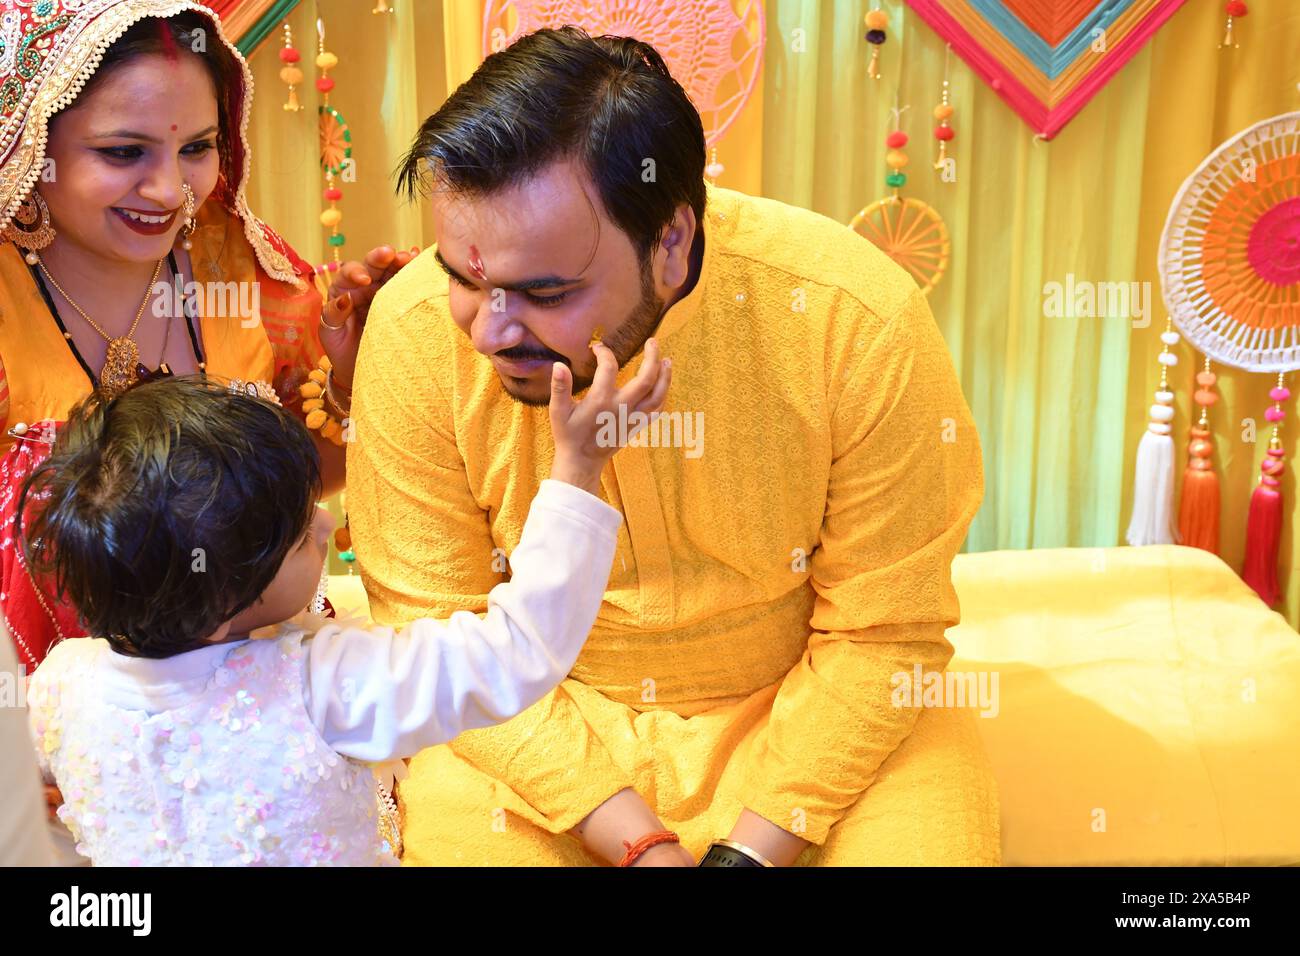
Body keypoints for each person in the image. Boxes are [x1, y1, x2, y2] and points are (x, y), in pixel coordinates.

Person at [347, 26, 1000, 867]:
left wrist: (753, 851)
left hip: (823, 709)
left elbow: (885, 632)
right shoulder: (410, 331)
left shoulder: (852, 316)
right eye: (465, 280)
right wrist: (635, 839)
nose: (486, 331)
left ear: (671, 242)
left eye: (545, 292)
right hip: (531, 719)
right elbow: (437, 625)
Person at [22, 346, 669, 865]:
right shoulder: (319, 682)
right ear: (224, 602)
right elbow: (513, 654)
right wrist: (577, 473)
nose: (329, 528)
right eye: (303, 534)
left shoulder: (58, 684)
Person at [0, 1, 414, 671]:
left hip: (256, 687)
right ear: (27, 144)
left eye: (197, 148)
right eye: (124, 152)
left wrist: (349, 378)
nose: (170, 191)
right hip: (44, 714)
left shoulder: (240, 263)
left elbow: (291, 493)